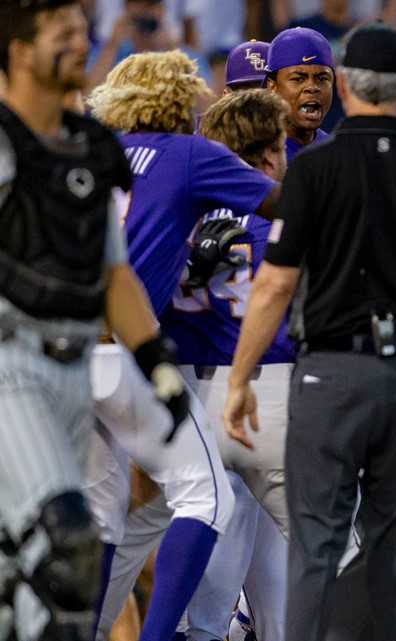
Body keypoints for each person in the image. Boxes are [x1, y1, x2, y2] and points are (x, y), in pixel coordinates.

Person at [221, 22, 396, 641]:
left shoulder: (311, 168)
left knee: (316, 548)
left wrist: (239, 378)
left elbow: (275, 285)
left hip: (329, 375)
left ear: (343, 84)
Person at [0, 2, 187, 639]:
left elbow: (114, 275)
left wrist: (156, 362)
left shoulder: (92, 145)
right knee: (69, 537)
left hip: (75, 370)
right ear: (20, 50)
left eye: (83, 30)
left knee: (24, 574)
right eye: (64, 34)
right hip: (11, 363)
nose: (83, 43)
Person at [85, 48, 282, 641]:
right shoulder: (190, 153)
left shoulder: (95, 153)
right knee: (209, 498)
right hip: (129, 351)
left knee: (104, 521)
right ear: (176, 96)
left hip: (69, 355)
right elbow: (282, 201)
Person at [265, 26, 335, 159]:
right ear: (272, 87)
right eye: (298, 79)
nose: (312, 87)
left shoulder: (337, 155)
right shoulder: (255, 154)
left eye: (322, 79)